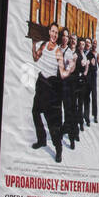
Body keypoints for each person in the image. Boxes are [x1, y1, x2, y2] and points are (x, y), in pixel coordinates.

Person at [30, 22, 64, 162]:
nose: (54, 35)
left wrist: (70, 67)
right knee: (35, 111)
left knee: (52, 122)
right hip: (41, 83)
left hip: (51, 87)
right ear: (49, 32)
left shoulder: (58, 51)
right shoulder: (43, 45)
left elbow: (62, 73)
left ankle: (58, 148)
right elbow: (36, 58)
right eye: (53, 31)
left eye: (56, 33)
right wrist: (33, 44)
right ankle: (42, 140)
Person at [58, 28, 79, 151]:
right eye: (64, 36)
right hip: (57, 83)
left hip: (67, 83)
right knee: (57, 111)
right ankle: (60, 132)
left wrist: (65, 72)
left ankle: (71, 138)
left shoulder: (70, 53)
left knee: (68, 111)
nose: (66, 38)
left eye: (68, 37)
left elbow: (71, 68)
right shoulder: (57, 49)